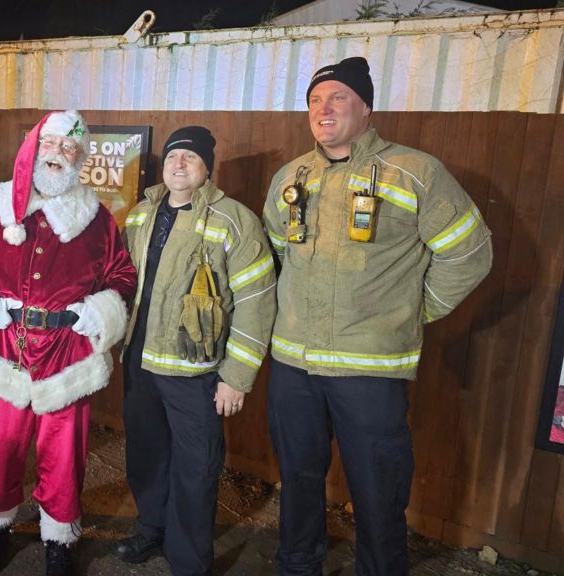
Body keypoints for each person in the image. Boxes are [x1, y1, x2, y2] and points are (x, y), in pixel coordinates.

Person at [262, 57, 493, 575]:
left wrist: (411, 309)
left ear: (366, 107)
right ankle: (298, 567)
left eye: (338, 97)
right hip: (294, 368)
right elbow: (278, 255)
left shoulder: (414, 172)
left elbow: (469, 252)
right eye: (315, 101)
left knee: (378, 493)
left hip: (370, 369)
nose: (324, 109)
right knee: (297, 483)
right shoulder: (290, 176)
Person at [0, 110, 136, 576]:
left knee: (64, 456)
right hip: (5, 350)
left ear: (80, 159)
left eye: (71, 149)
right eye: (52, 145)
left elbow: (122, 275)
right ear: (35, 148)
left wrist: (100, 310)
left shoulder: (97, 218)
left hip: (65, 356)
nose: (59, 155)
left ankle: (59, 539)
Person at [115, 126, 277, 576]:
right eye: (172, 157)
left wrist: (236, 377)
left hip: (196, 373)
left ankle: (188, 561)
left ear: (208, 169)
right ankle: (150, 530)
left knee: (196, 469)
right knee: (146, 456)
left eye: (190, 157)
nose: (178, 164)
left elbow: (257, 301)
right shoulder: (140, 215)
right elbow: (122, 283)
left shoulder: (234, 221)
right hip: (141, 363)